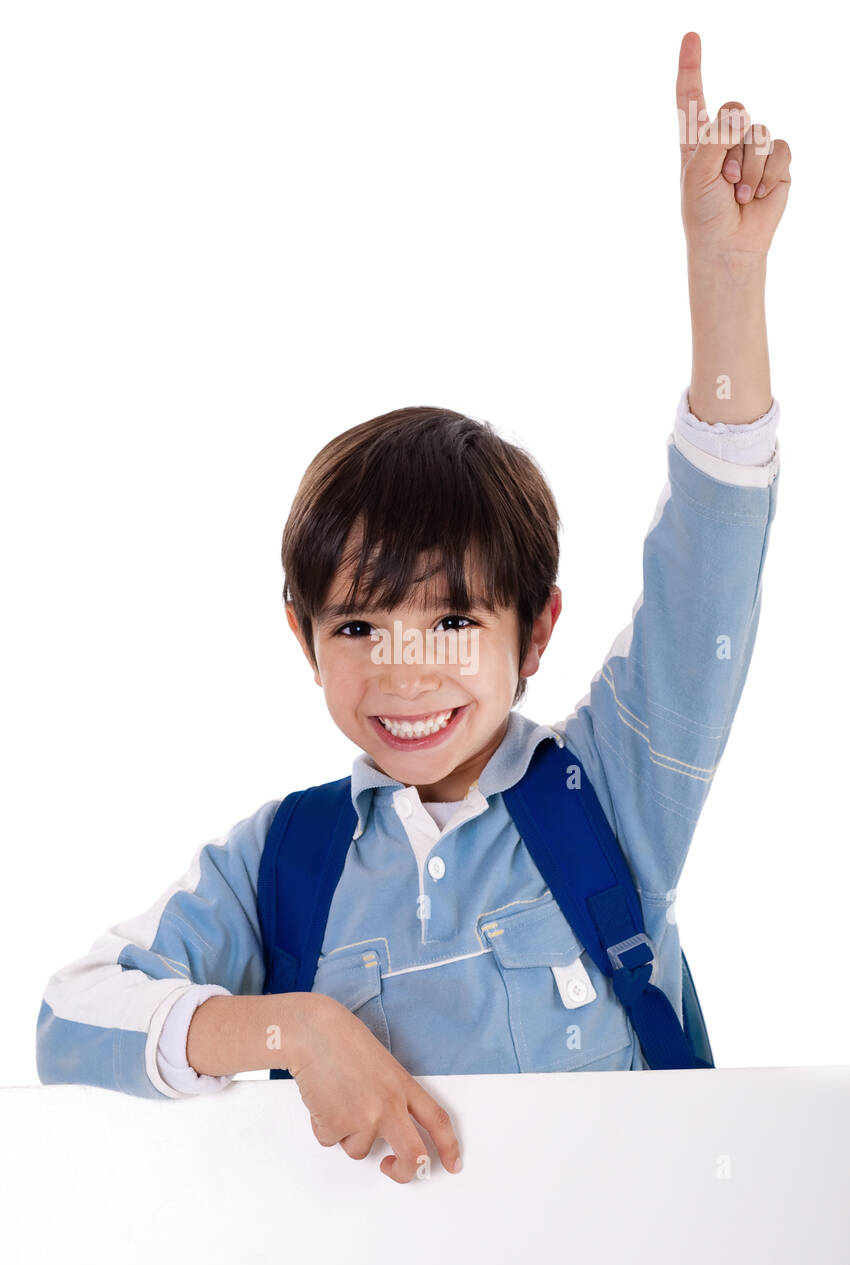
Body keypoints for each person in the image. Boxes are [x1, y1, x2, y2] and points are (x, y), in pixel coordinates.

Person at [36, 33, 791, 1183]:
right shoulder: (280, 859)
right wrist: (296, 1028)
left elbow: (709, 568)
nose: (402, 673)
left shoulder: (612, 799)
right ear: (302, 636)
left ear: (533, 631)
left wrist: (726, 283)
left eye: (448, 623)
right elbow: (70, 1019)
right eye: (355, 627)